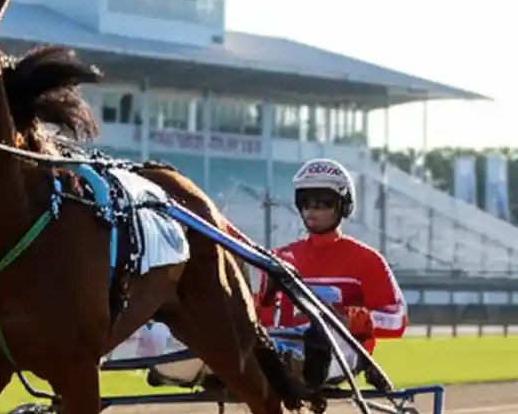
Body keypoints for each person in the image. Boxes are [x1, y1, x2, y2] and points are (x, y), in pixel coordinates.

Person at [145, 157, 408, 389]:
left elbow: (397, 319)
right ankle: (184, 365)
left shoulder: (367, 260)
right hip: (279, 345)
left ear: (344, 205)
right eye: (306, 201)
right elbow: (261, 315)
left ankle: (282, 367)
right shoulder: (280, 257)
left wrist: (349, 320)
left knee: (317, 340)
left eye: (324, 201)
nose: (313, 209)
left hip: (336, 352)